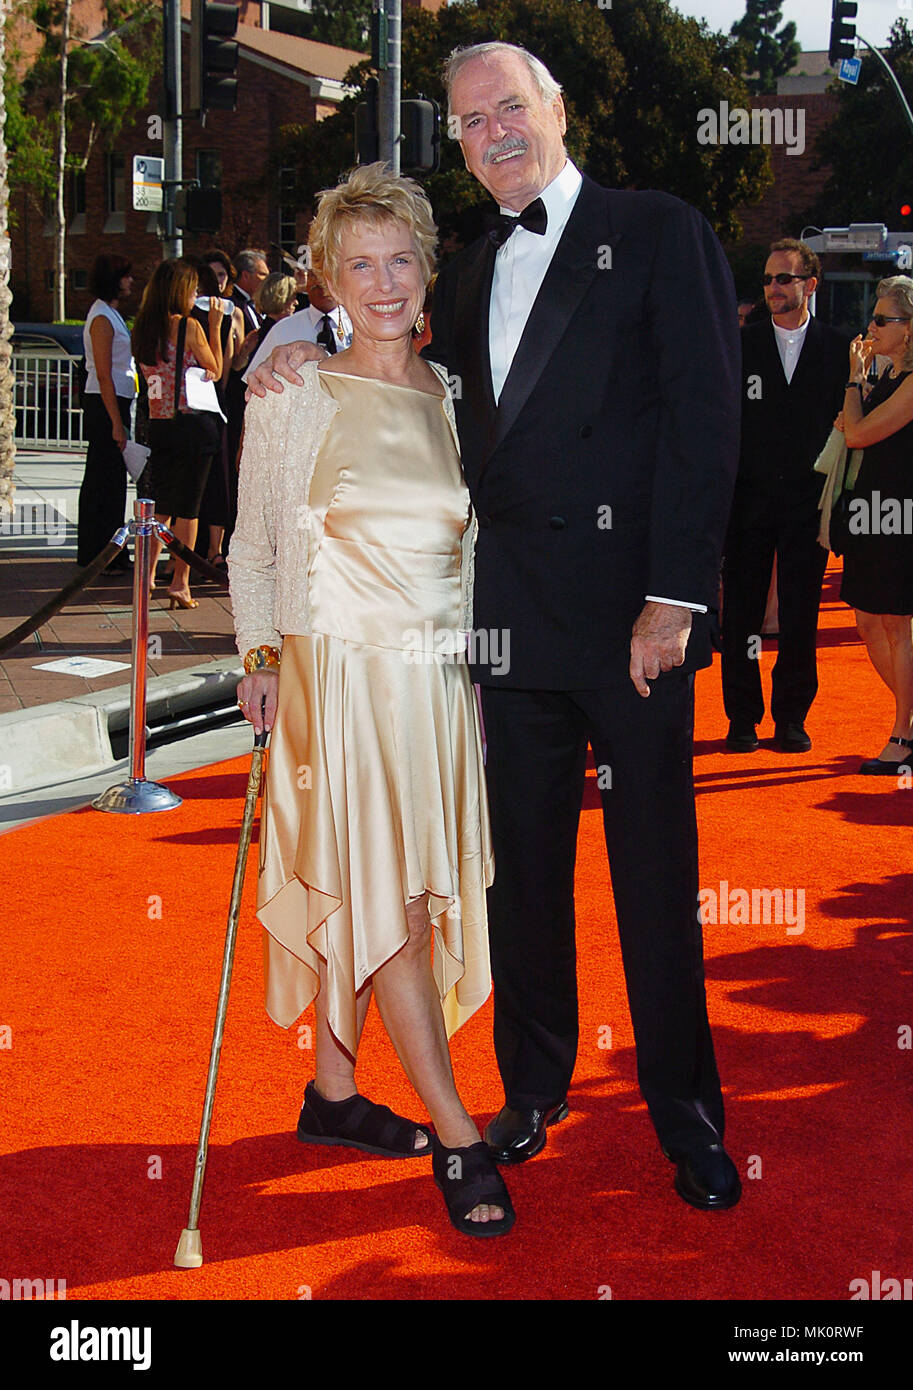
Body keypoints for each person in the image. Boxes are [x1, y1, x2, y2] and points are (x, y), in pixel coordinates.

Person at [248, 42, 743, 1211]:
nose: (495, 131)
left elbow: (706, 420)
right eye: (471, 121)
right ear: (460, 147)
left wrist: (674, 595)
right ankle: (530, 1089)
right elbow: (393, 395)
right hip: (501, 639)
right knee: (521, 881)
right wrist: (287, 368)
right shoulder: (460, 275)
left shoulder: (658, 227)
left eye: (510, 108)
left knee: (652, 878)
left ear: (555, 112)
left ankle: (686, 1116)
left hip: (633, 631)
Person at [228, 163, 514, 1237]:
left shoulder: (450, 398)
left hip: (434, 688)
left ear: (424, 270)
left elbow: (470, 555)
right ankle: (456, 1132)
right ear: (328, 279)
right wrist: (258, 653)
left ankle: (334, 1095)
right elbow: (255, 546)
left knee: (393, 885)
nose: (383, 282)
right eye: (360, 264)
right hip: (336, 681)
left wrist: (476, 682)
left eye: (399, 260)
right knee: (388, 901)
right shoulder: (294, 389)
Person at [722, 239, 849, 753]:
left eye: (784, 279)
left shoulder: (838, 348)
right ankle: (742, 719)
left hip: (808, 506)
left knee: (801, 615)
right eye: (769, 279)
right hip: (747, 503)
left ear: (809, 285)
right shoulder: (740, 345)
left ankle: (791, 718)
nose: (773, 287)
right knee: (742, 617)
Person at [837, 275, 913, 774]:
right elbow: (849, 427)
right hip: (871, 512)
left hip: (901, 516)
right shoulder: (885, 376)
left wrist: (850, 381)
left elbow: (858, 433)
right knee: (868, 622)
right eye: (873, 316)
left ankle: (903, 733)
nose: (872, 326)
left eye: (883, 320)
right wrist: (860, 382)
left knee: (895, 624)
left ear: (909, 329)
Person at [131, 258, 225, 609]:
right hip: (192, 424)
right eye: (192, 289)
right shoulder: (188, 327)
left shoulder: (143, 328)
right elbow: (214, 368)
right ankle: (180, 582)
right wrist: (214, 326)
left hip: (160, 423)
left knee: (162, 505)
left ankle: (148, 577)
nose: (196, 295)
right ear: (180, 291)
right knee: (189, 508)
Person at [77, 253, 136, 572]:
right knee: (104, 478)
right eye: (125, 276)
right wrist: (116, 421)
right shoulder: (101, 316)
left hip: (114, 400)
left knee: (110, 479)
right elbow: (103, 373)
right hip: (104, 403)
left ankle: (105, 550)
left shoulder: (110, 314)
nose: (129, 282)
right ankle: (98, 551)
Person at [244, 271, 353, 381]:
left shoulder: (359, 324)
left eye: (326, 276)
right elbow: (254, 378)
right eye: (313, 275)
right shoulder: (282, 329)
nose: (319, 282)